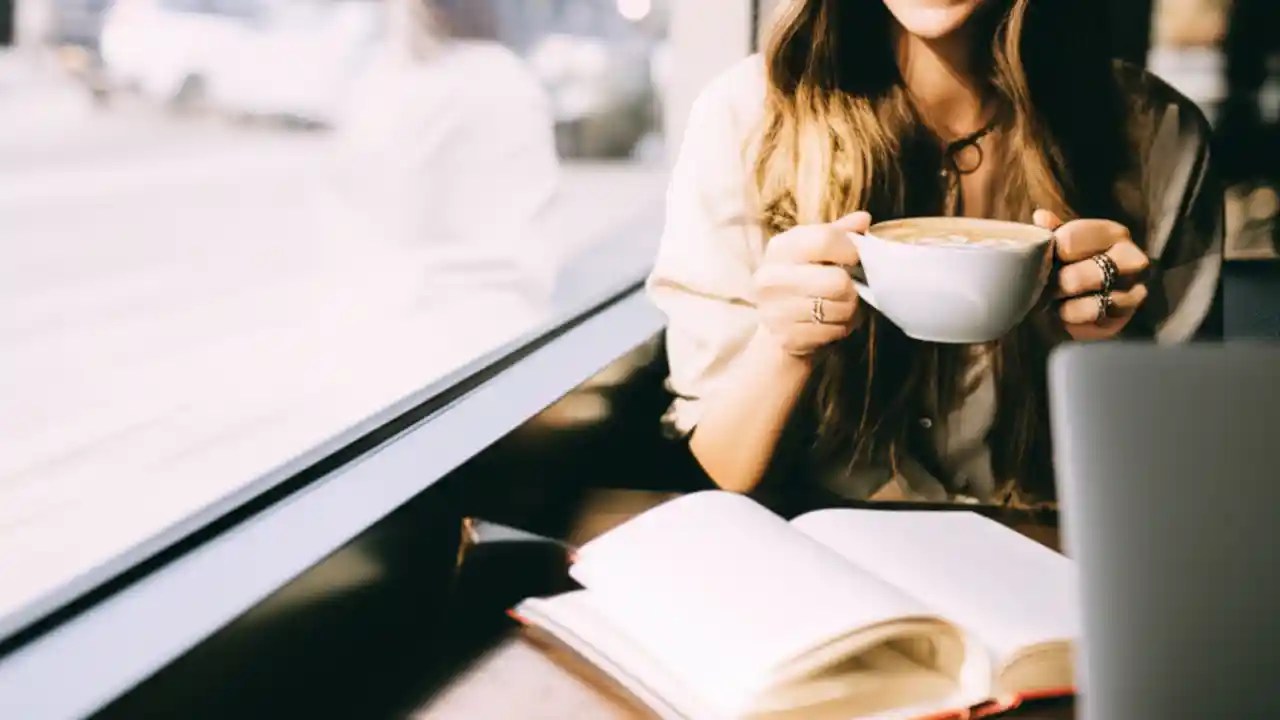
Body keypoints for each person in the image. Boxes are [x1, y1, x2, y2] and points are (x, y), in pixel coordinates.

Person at [648, 0, 1222, 508]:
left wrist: (1114, 354)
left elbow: (1190, 479)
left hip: (1055, 555)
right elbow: (727, 464)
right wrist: (783, 347)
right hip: (834, 563)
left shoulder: (1156, 136)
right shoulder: (750, 118)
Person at [326, 0, 560, 311]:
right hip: (470, 316)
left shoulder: (474, 80)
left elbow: (385, 212)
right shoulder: (401, 73)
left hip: (459, 323)